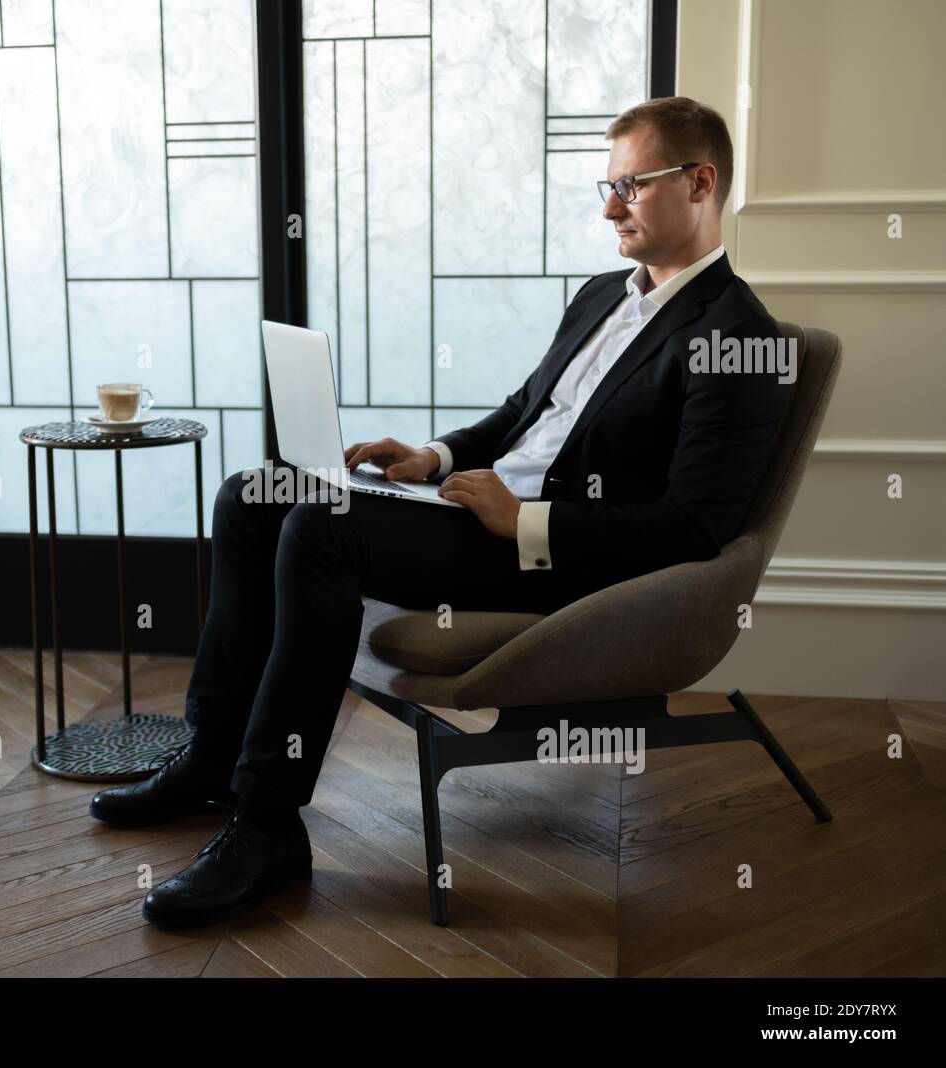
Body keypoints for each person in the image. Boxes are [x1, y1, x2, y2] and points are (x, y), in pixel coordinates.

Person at [90, 96, 795, 929]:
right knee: (254, 494)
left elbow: (694, 530)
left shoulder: (739, 338)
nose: (609, 207)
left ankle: (267, 824)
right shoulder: (603, 293)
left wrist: (522, 523)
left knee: (324, 526)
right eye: (606, 186)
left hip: (558, 563)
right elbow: (524, 413)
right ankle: (212, 752)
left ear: (700, 181)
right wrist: (436, 459)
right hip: (484, 516)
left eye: (629, 187)